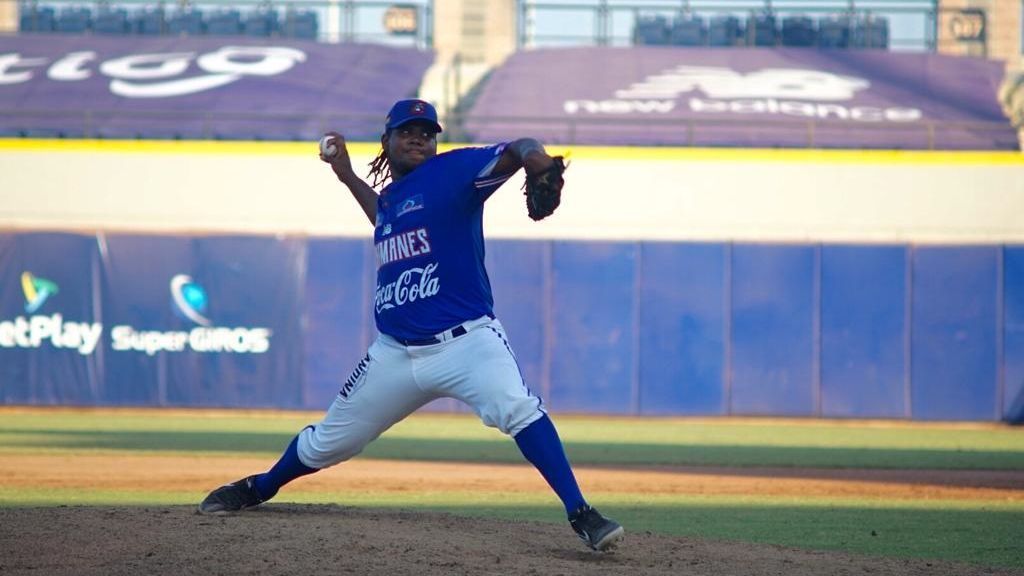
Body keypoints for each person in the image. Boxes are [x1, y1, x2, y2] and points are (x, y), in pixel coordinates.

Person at [198, 99, 625, 552]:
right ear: (387, 141)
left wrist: (537, 162)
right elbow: (384, 216)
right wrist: (345, 176)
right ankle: (260, 487)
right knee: (329, 443)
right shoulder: (392, 201)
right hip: (394, 353)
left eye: (427, 131)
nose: (419, 137)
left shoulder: (455, 173)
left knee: (517, 408)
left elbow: (519, 148)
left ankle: (582, 514)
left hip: (467, 342)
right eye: (408, 131)